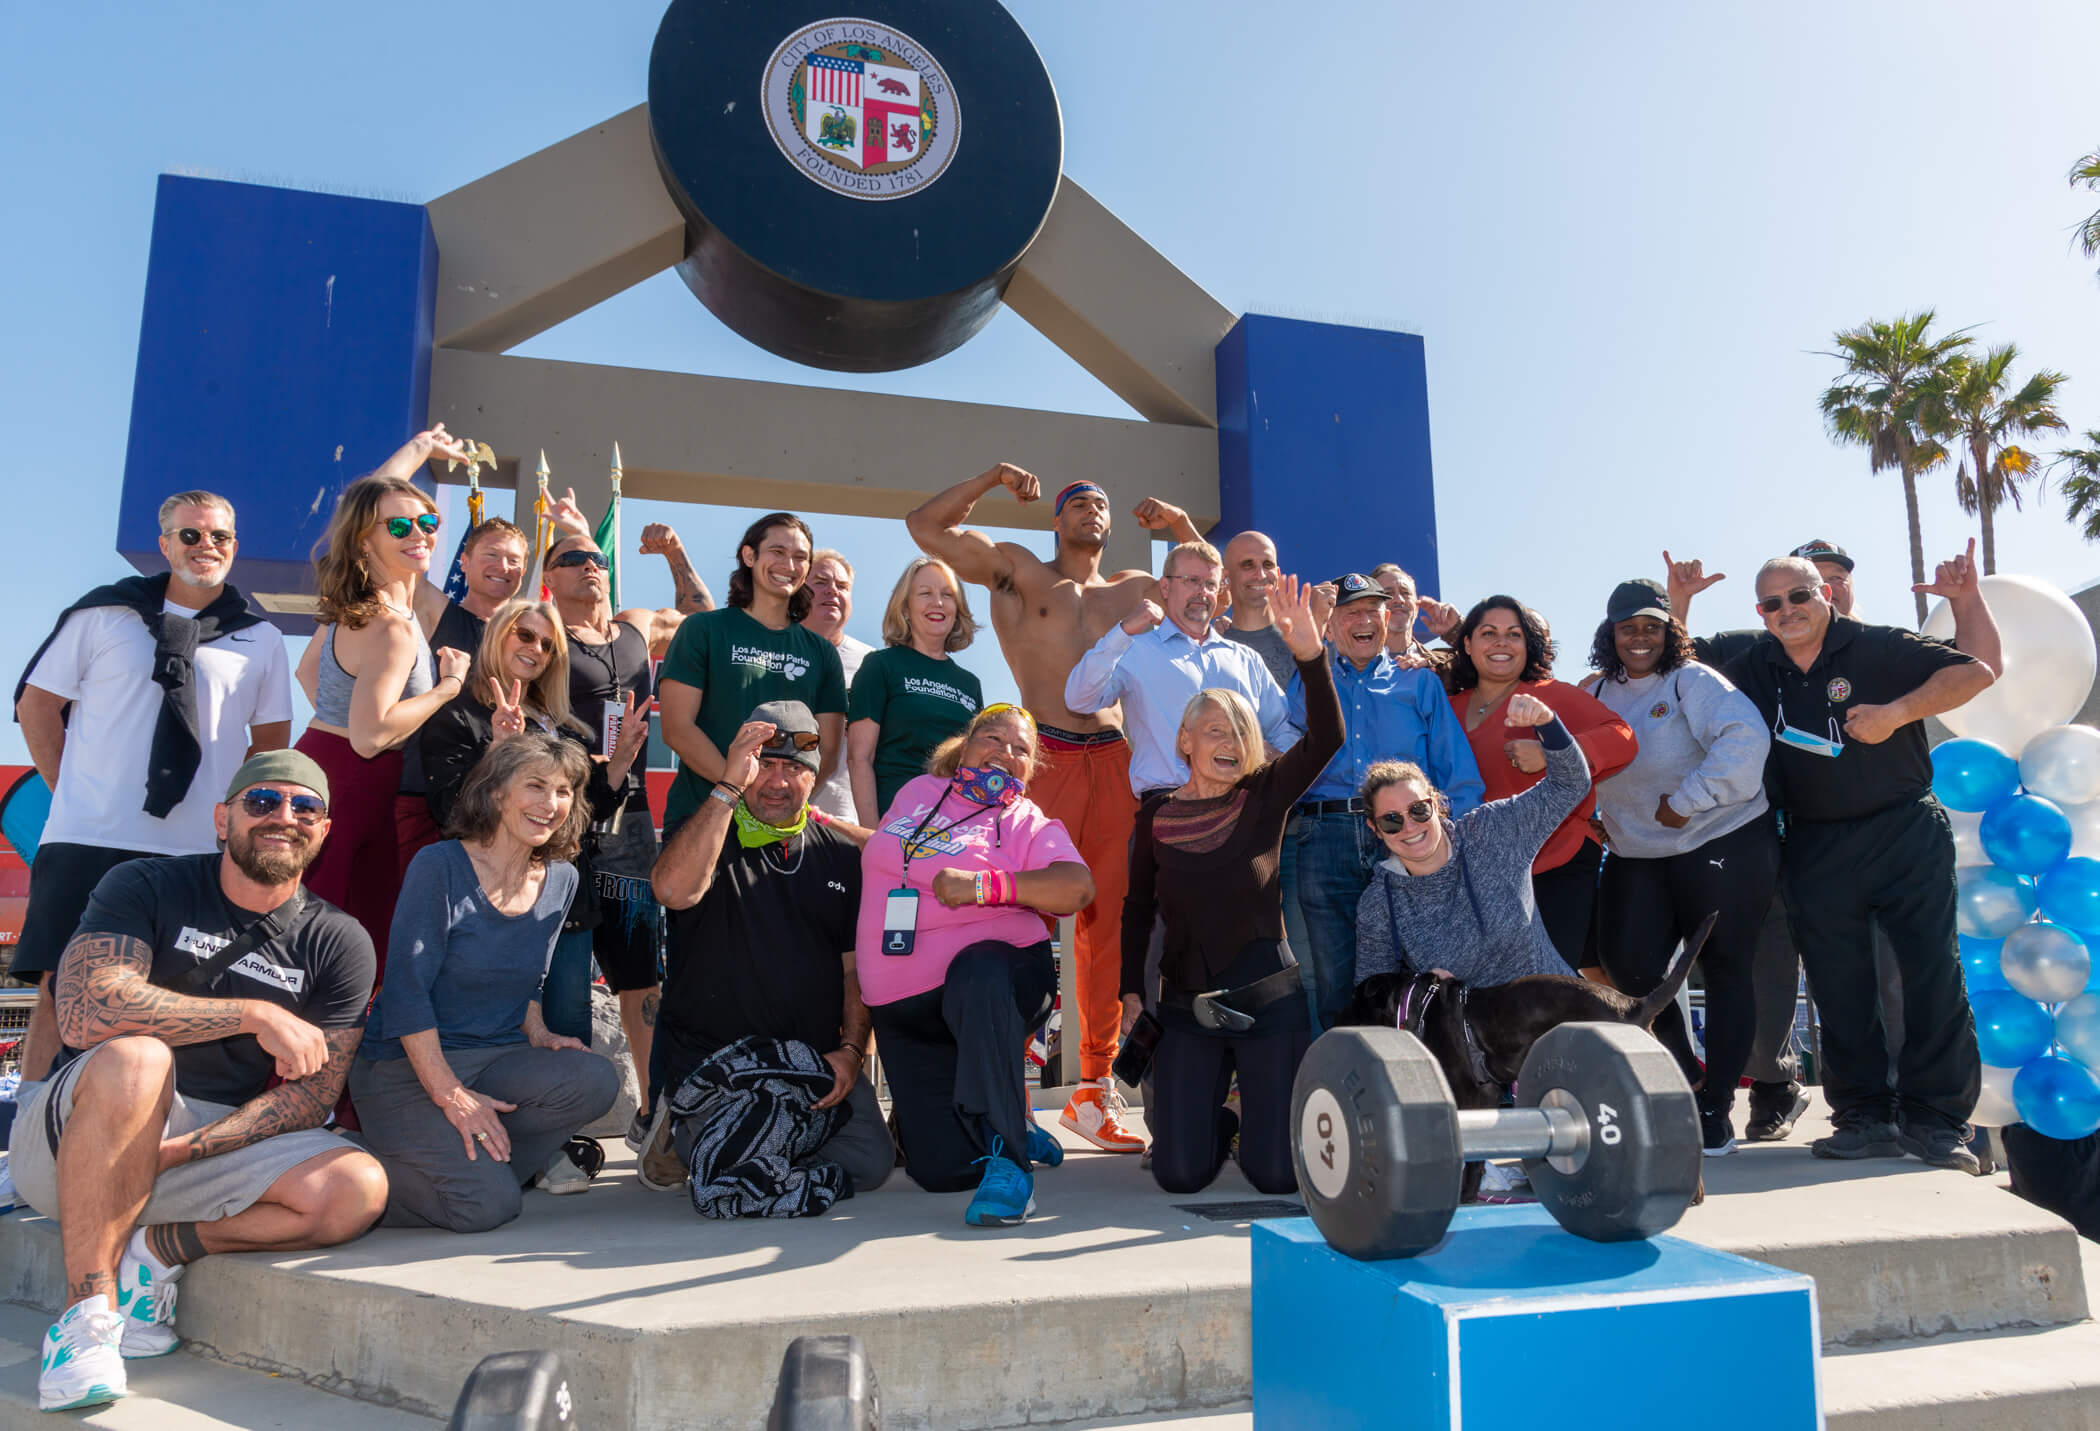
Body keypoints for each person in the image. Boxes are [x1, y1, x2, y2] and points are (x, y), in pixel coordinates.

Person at [13, 751, 385, 1412]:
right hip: (81, 1134)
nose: (284, 817)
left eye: (306, 808)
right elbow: (85, 1006)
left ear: (324, 831)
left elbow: (312, 1096)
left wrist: (182, 1150)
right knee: (140, 1058)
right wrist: (251, 1011)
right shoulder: (146, 884)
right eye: (264, 800)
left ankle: (159, 1249)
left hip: (195, 1150)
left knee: (357, 1187)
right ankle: (84, 1320)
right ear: (223, 818)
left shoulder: (338, 939)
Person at [1665, 537, 2004, 1140]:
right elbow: (1673, 663)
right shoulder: (1751, 659)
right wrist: (1679, 602)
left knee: (1930, 976)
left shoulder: (1879, 644)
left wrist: (1899, 710)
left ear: (1828, 595)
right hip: (1814, 843)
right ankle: (1861, 1117)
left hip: (1903, 828)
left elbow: (1978, 670)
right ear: (1760, 613)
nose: (1787, 610)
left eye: (1800, 595)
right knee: (1838, 986)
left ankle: (1938, 1122)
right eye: (1771, 603)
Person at [906, 463, 1201, 1153]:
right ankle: (1001, 1088)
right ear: (1055, 519)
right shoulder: (1019, 571)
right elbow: (926, 527)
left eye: (1101, 501)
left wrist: (1180, 524)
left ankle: (1093, 1091)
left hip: (1115, 759)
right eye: (1076, 501)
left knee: (1111, 921)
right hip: (1040, 760)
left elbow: (1202, 581)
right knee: (1014, 917)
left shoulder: (1133, 586)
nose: (1092, 509)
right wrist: (986, 478)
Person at [12, 490, 292, 1085]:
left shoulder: (261, 639)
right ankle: (31, 1140)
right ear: (164, 545)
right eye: (190, 535)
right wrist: (70, 793)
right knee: (64, 986)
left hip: (194, 849)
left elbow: (267, 750)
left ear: (235, 547)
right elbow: (37, 706)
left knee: (173, 991)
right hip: (88, 836)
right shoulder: (101, 615)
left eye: (219, 536)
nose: (205, 547)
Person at [350, 734, 620, 1231]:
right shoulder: (440, 866)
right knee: (487, 1207)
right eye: (535, 786)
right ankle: (347, 1167)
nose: (551, 804)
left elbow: (531, 979)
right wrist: (450, 1092)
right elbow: (407, 990)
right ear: (496, 792)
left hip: (495, 1059)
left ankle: (474, 1168)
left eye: (563, 791)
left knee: (595, 1078)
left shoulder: (561, 877)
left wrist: (538, 1034)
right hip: (406, 1067)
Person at [1125, 577, 1338, 1195]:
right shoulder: (1156, 813)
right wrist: (1126, 993)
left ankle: (1261, 1131)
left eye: (1240, 733)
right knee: (1180, 1176)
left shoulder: (1265, 796)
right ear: (1185, 742)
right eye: (1214, 729)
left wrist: (1310, 656)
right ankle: (1219, 1122)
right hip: (1185, 1009)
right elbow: (1137, 908)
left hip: (1269, 1006)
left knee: (1275, 1177)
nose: (1228, 741)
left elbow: (1326, 739)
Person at [857, 702, 1094, 1224]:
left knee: (977, 969)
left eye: (1021, 750)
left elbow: (1077, 888)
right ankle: (1013, 1121)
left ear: (1030, 771)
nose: (1005, 753)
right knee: (941, 1173)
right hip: (905, 1005)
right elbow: (888, 858)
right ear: (965, 747)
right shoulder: (915, 794)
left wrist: (986, 886)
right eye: (993, 738)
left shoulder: (1026, 820)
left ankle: (1011, 1162)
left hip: (998, 982)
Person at [644, 703, 893, 1197]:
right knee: (735, 1159)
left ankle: (753, 1143)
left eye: (794, 768)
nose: (777, 781)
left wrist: (848, 1053)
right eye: (765, 765)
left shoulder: (840, 855)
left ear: (814, 775)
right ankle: (692, 1123)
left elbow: (853, 972)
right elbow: (672, 892)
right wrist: (727, 787)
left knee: (870, 1165)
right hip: (718, 1061)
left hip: (810, 1063)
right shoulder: (706, 834)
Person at [1583, 579, 1776, 1155]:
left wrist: (1687, 799)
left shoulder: (1692, 680)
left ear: (1669, 631)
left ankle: (1715, 1106)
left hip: (1722, 837)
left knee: (1724, 969)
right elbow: (1575, 757)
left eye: (1651, 626)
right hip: (1635, 850)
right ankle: (1689, 1073)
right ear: (1610, 633)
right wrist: (1588, 811)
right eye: (1627, 627)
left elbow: (1745, 738)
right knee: (1631, 970)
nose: (1639, 637)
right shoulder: (1593, 690)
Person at [416, 600, 649, 1062]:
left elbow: (585, 814)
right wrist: (497, 751)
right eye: (524, 634)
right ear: (497, 634)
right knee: (487, 1031)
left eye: (547, 644)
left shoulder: (564, 728)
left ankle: (554, 1131)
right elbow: (450, 811)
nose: (536, 648)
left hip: (564, 904)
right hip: (485, 904)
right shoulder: (457, 712)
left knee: (565, 1032)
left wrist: (620, 761)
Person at [1286, 574, 1484, 1030]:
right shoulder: (1307, 684)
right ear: (1330, 626)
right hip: (1325, 840)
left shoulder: (1420, 683)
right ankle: (1344, 1083)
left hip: (1405, 838)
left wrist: (1455, 848)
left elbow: (1457, 773)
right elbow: (1281, 755)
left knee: (1416, 969)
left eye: (1374, 611)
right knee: (1332, 978)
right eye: (1351, 612)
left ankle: (1419, 1077)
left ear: (1387, 619)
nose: (1364, 621)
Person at [295, 474, 472, 963]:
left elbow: (308, 670)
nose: (420, 534)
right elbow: (370, 737)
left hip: (325, 767)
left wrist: (338, 721)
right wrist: (447, 688)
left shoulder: (362, 609)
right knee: (336, 943)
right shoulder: (392, 625)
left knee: (314, 931)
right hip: (355, 782)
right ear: (363, 541)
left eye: (428, 521)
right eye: (399, 526)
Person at [544, 526, 666, 1140]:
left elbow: (699, 613)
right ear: (550, 578)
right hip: (563, 819)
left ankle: (654, 1113)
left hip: (631, 825)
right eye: (572, 558)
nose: (589, 565)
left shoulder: (636, 628)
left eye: (595, 556)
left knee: (641, 974)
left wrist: (673, 555)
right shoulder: (544, 637)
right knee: (561, 972)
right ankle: (562, 1132)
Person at [1445, 596, 1634, 971]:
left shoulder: (1551, 694)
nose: (1501, 642)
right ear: (1467, 644)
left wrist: (1553, 753)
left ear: (1527, 645)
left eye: (1513, 634)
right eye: (1488, 633)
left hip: (1556, 863)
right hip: (1481, 875)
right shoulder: (1446, 704)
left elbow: (1622, 737)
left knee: (1544, 990)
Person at [1355, 693, 1592, 989]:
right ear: (1375, 829)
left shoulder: (1491, 831)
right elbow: (1370, 993)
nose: (1409, 826)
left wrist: (1547, 722)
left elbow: (1571, 785)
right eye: (1391, 820)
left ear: (1436, 805)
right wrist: (1419, 985)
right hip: (1470, 1034)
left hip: (1557, 1013)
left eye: (1418, 809)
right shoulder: (1380, 902)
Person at [1066, 540, 1299, 801]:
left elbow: (1282, 727)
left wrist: (1276, 767)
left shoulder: (1245, 659)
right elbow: (1079, 699)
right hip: (1168, 805)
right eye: (1191, 580)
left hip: (1243, 808)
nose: (1202, 592)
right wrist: (1123, 631)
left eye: (1210, 584)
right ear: (1165, 587)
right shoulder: (1134, 650)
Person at [658, 513, 847, 830]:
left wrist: (776, 799)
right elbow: (677, 728)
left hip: (782, 826)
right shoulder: (703, 629)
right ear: (749, 555)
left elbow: (825, 751)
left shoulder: (822, 652)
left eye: (800, 557)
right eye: (777, 552)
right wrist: (739, 789)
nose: (789, 565)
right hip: (702, 815)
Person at [847, 557, 985, 823]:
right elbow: (859, 757)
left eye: (948, 595)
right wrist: (871, 834)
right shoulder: (881, 665)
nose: (938, 603)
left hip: (953, 825)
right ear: (906, 607)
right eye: (925, 594)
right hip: (897, 819)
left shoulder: (970, 684)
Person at [803, 548, 875, 821]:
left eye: (842, 586)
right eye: (820, 582)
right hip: (772, 818)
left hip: (848, 823)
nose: (832, 590)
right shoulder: (773, 653)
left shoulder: (874, 664)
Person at [1219, 532, 1297, 691]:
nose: (1260, 575)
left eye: (1268, 565)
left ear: (1278, 574)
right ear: (1226, 578)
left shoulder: (1305, 642)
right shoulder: (1213, 650)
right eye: (1247, 565)